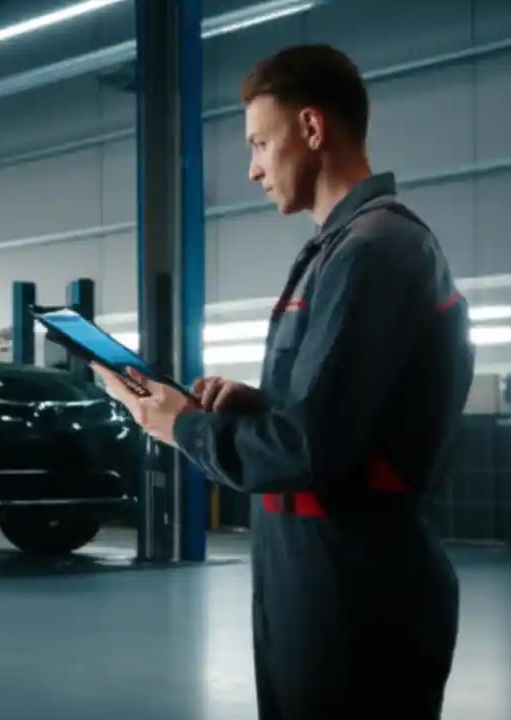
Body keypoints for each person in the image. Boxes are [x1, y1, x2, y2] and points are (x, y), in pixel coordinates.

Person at [93, 44, 475, 719]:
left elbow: (309, 449)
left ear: (311, 129)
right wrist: (254, 405)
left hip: (356, 592)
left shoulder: (374, 253)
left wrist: (179, 425)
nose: (253, 169)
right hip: (316, 577)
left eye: (260, 144)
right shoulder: (342, 249)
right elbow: (340, 413)